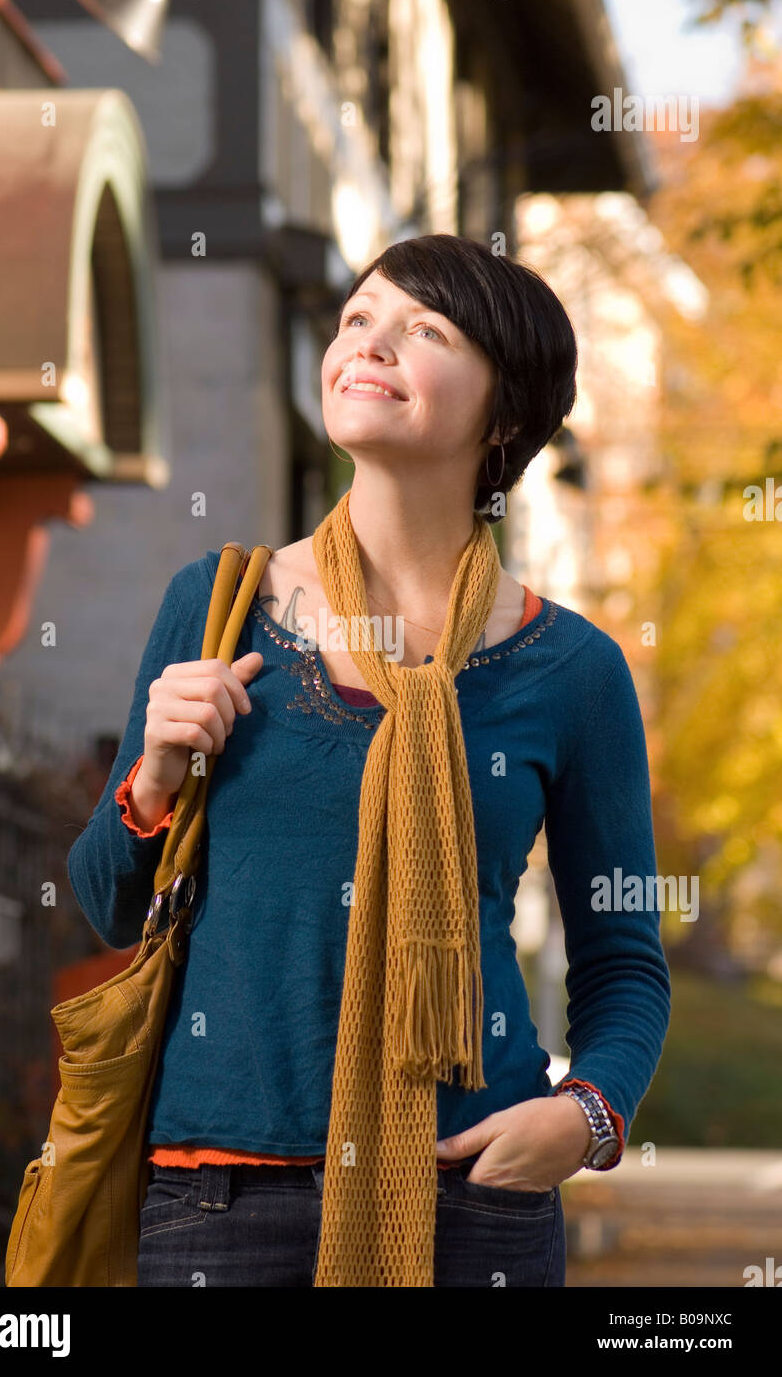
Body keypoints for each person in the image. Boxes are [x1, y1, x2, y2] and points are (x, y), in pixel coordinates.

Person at [67, 233, 671, 1288]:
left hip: (474, 1193)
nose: (369, 341)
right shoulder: (213, 609)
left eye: (422, 329)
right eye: (357, 317)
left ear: (506, 415)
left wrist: (586, 1117)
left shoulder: (573, 670)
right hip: (219, 1200)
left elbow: (620, 959)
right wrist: (154, 778)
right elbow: (109, 905)